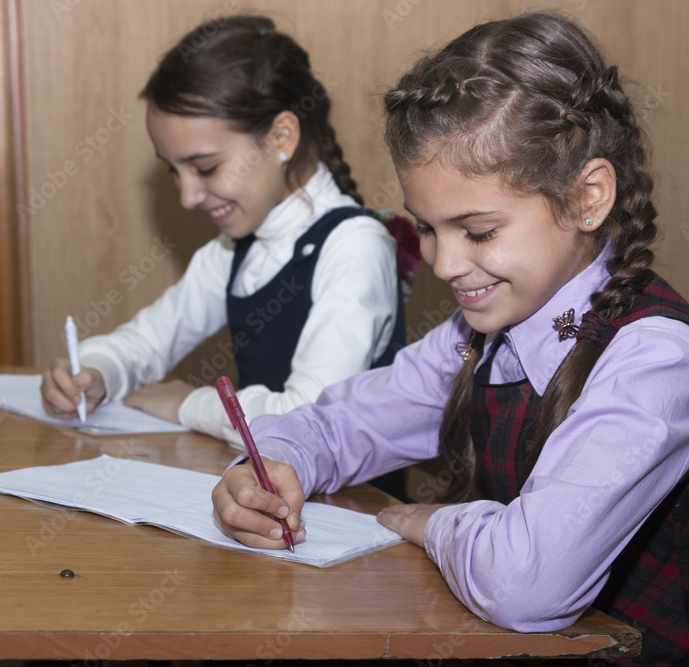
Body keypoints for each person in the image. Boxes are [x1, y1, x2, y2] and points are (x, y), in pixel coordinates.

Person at [211, 11, 689, 665]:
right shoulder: (479, 335)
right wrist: (271, 466)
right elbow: (343, 420)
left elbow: (528, 582)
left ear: (588, 196)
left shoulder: (656, 359)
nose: (442, 264)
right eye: (429, 228)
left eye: (479, 230)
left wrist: (425, 521)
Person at [40, 15, 411, 449]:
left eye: (205, 168)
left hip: (349, 507)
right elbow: (148, 341)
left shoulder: (356, 247)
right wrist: (95, 372)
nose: (187, 196)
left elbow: (307, 418)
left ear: (281, 137)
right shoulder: (235, 249)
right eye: (174, 171)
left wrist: (187, 404)